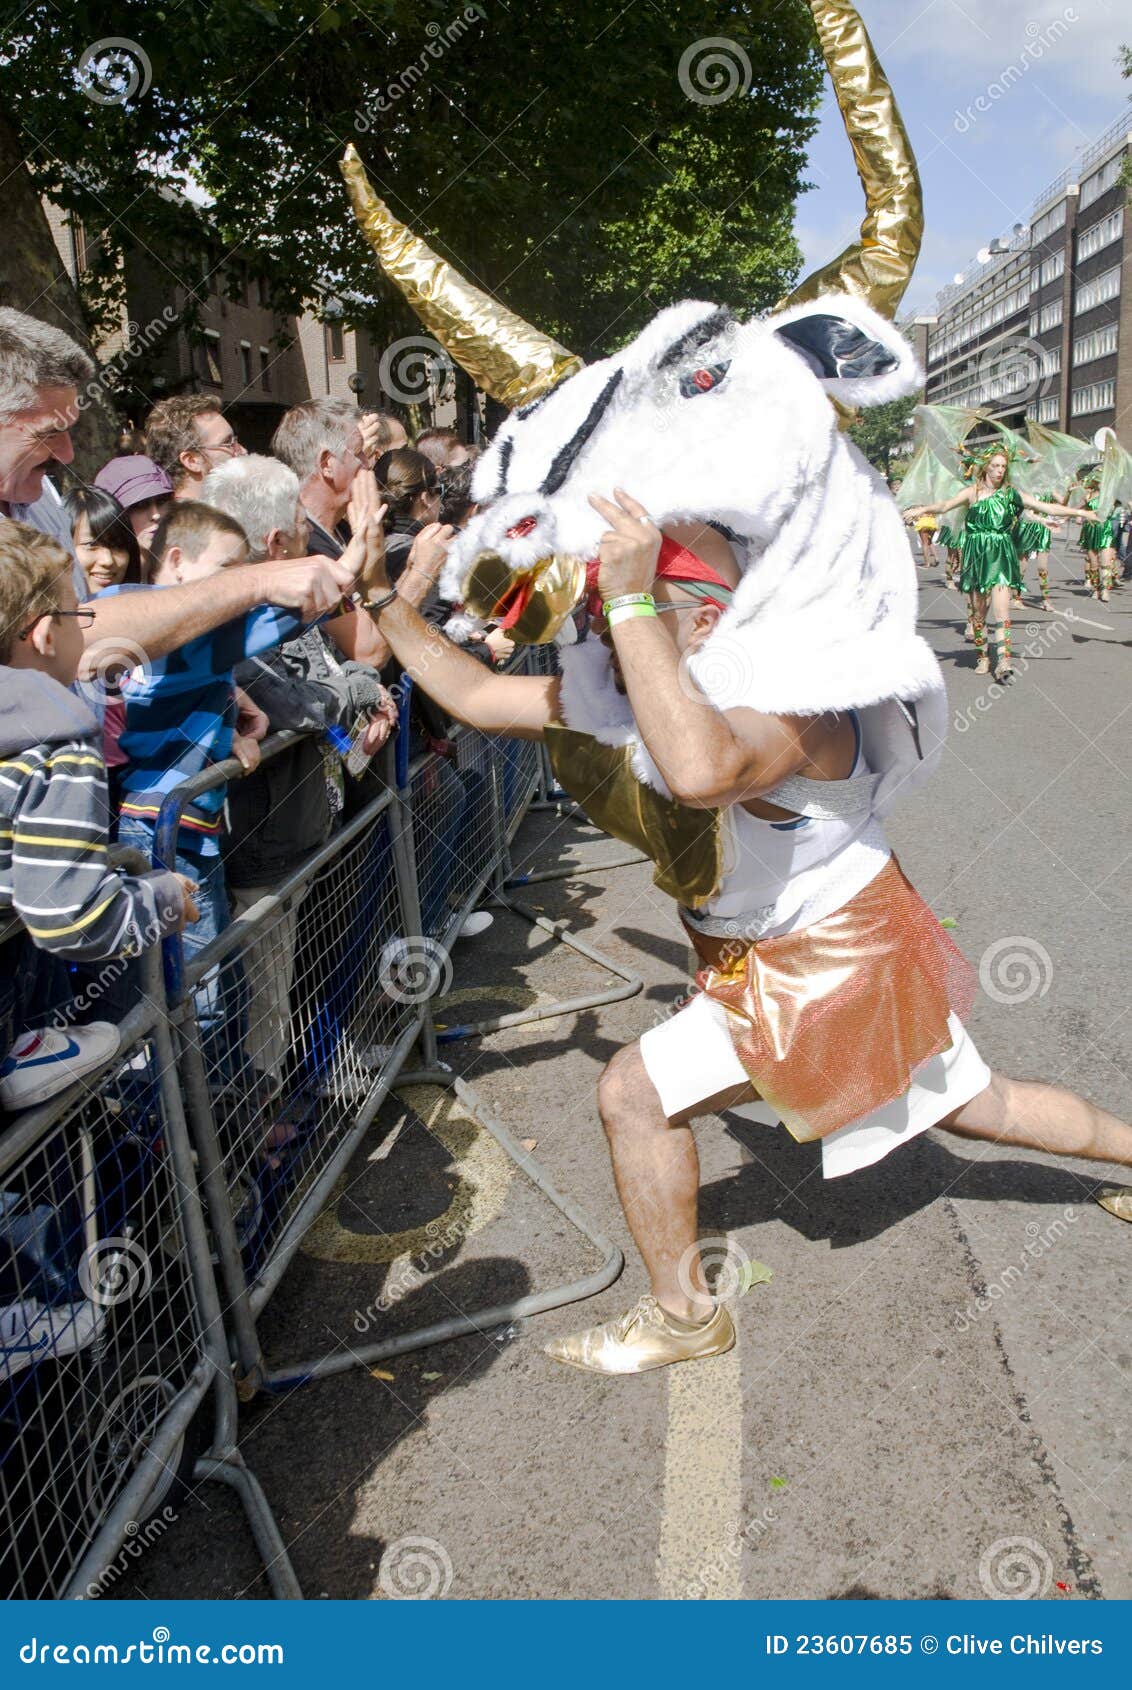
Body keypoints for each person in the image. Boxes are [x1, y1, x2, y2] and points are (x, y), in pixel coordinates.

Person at [0, 522, 196, 1111]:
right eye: (77, 617)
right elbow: (70, 916)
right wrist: (161, 899)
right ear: (43, 634)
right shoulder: (54, 741)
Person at [905, 448, 1089, 682]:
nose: (1000, 470)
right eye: (995, 466)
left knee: (1002, 612)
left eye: (1003, 466)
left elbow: (1047, 507)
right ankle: (983, 657)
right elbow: (944, 506)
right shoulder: (972, 492)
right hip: (977, 554)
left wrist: (1080, 513)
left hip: (1001, 553)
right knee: (979, 613)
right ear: (986, 468)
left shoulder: (1010, 493)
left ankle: (1004, 661)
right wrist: (921, 509)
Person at [143, 394, 246, 500]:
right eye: (228, 443)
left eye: (235, 440)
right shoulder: (181, 516)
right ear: (191, 461)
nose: (243, 450)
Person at [92, 455, 174, 579]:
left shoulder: (185, 570)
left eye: (161, 501)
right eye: (140, 506)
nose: (155, 515)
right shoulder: (102, 581)